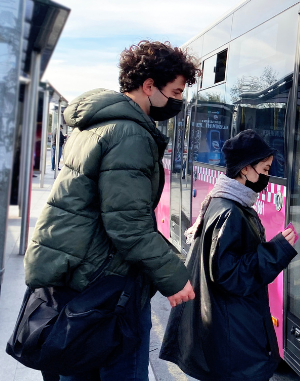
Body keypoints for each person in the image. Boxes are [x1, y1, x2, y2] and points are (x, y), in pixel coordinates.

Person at [24, 41, 200, 381]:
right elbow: (128, 225)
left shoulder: (94, 124)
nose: (178, 101)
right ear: (149, 86)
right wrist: (174, 277)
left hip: (76, 275)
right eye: (176, 92)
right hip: (105, 286)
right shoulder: (130, 134)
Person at [159, 129, 298, 381]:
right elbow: (230, 275)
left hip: (229, 328)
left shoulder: (223, 200)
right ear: (246, 169)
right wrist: (276, 250)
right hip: (234, 333)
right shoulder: (231, 211)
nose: (268, 176)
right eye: (265, 170)